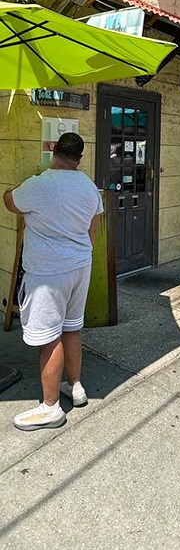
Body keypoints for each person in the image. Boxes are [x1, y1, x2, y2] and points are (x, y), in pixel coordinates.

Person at [3, 133, 103, 431]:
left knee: (49, 338)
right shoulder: (88, 186)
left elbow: (10, 202)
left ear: (52, 151)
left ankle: (50, 408)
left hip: (48, 271)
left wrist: (13, 188)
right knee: (71, 328)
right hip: (80, 266)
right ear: (79, 158)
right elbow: (93, 229)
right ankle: (76, 387)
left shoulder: (40, 184)